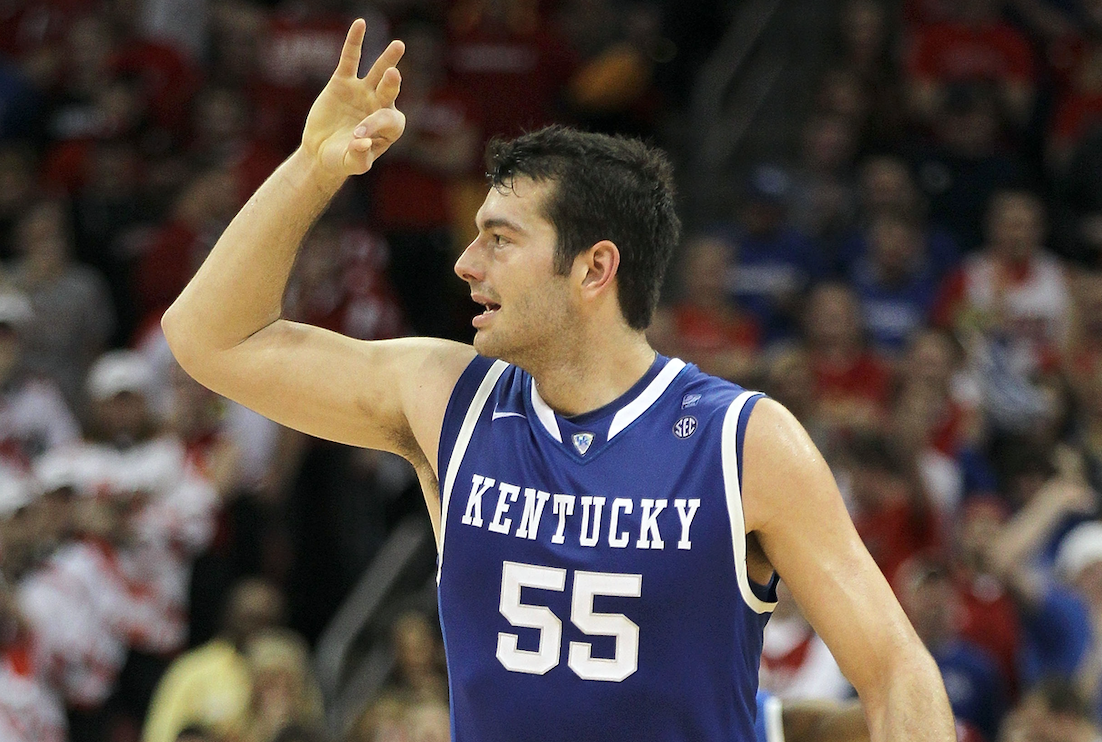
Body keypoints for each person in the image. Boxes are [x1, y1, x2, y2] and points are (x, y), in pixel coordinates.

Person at [161, 20, 954, 741]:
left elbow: (897, 673)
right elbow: (208, 339)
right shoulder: (448, 401)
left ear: (595, 267)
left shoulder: (741, 442)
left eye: (500, 240)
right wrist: (311, 169)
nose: (467, 266)